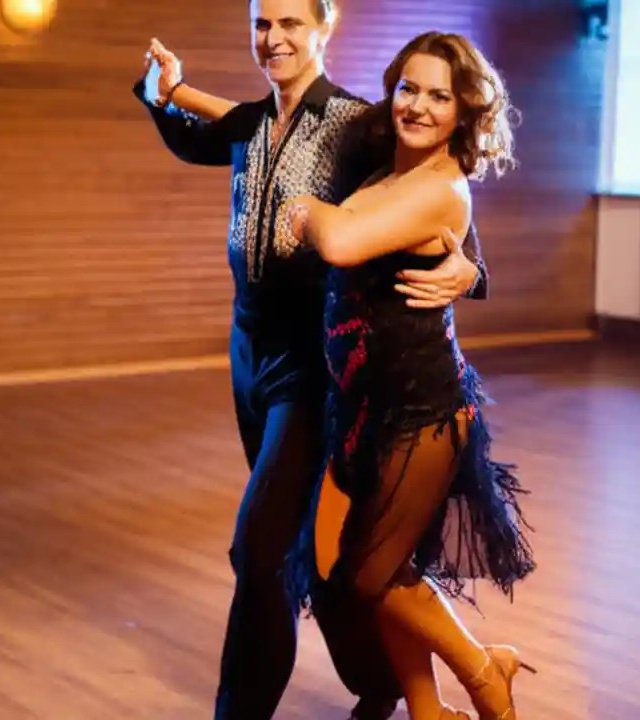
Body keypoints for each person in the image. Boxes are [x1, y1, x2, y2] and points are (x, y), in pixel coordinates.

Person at [132, 2, 488, 719]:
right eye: (263, 23)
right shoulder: (257, 123)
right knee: (308, 554)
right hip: (248, 356)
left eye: (292, 22)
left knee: (259, 551)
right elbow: (198, 137)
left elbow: (431, 194)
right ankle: (384, 685)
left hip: (311, 364)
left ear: (327, 25)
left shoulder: (360, 124)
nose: (275, 39)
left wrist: (475, 270)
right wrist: (159, 93)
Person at [276, 31, 537, 720]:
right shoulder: (384, 166)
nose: (418, 105)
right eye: (409, 88)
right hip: (360, 410)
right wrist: (178, 97)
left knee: (371, 575)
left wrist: (301, 210)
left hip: (420, 413)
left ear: (463, 112)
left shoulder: (441, 186)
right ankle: (427, 710)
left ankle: (486, 675)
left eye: (439, 96)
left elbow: (340, 239)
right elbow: (256, 118)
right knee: (349, 567)